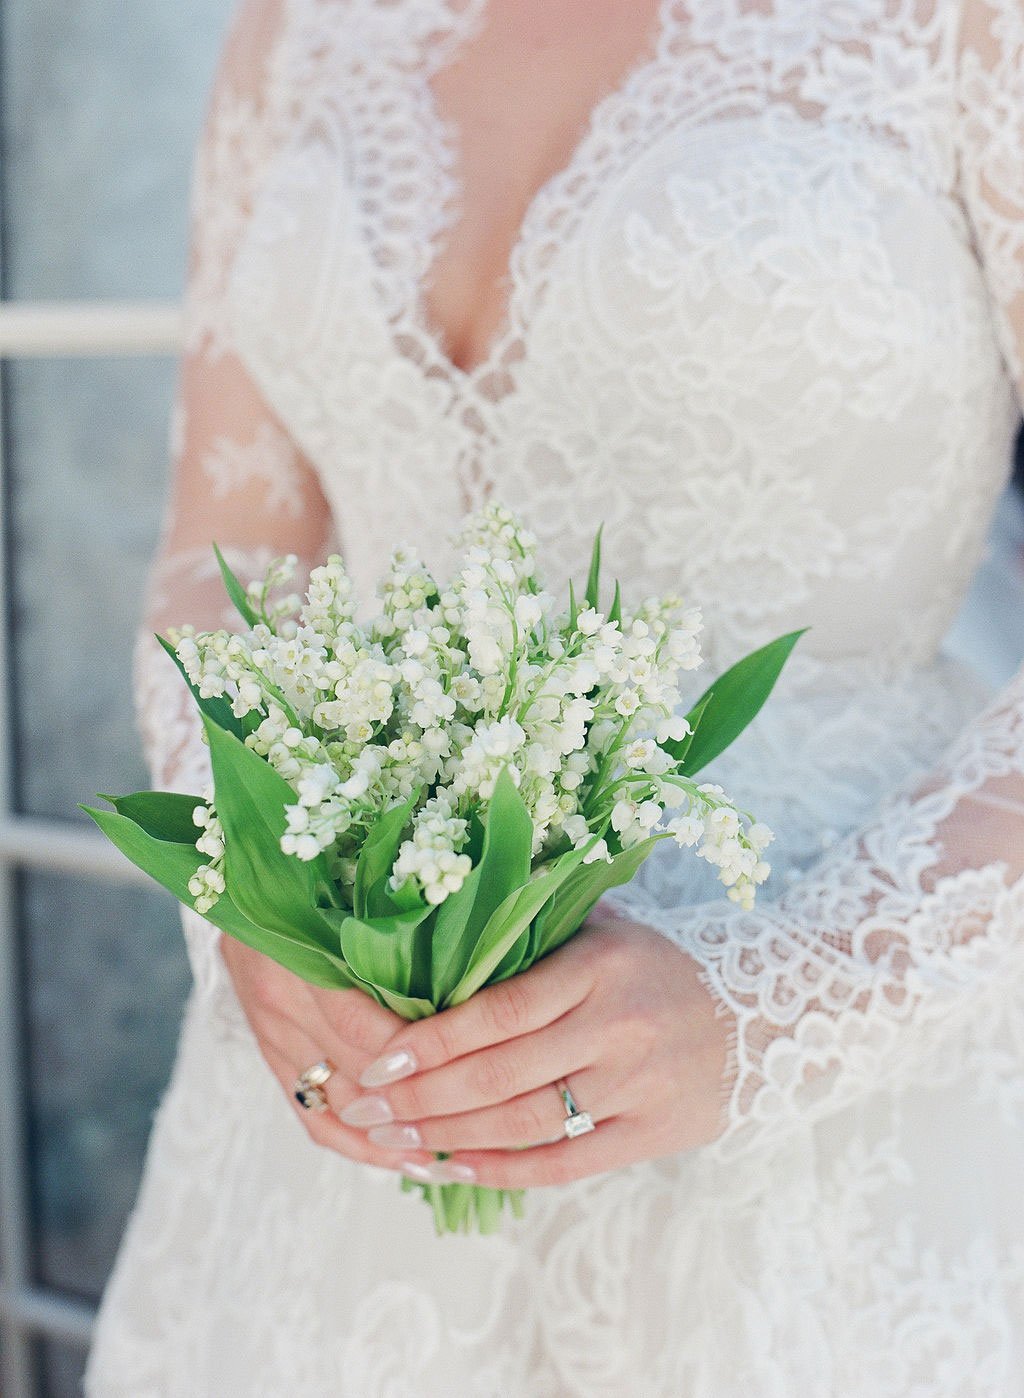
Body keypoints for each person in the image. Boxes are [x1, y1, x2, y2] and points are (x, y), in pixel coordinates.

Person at [85, 0, 1024, 1391]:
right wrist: (248, 886)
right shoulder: (294, 31)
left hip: (843, 1118)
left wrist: (776, 1002)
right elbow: (217, 570)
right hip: (346, 1123)